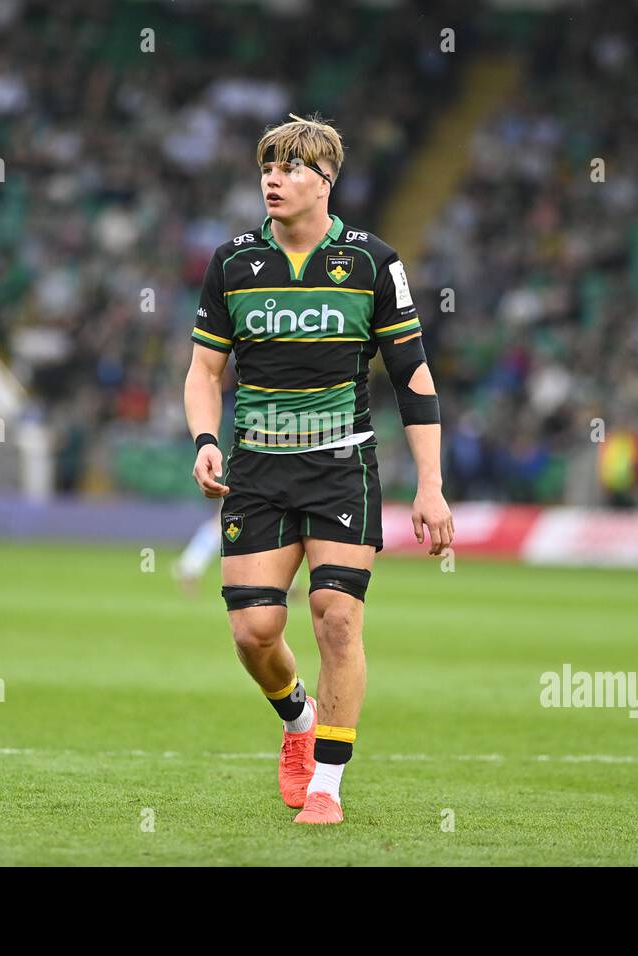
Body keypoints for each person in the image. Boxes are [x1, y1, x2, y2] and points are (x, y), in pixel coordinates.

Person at [183, 113, 453, 825]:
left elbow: (413, 377)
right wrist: (205, 439)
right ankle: (297, 720)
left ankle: (327, 786)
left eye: (291, 167)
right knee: (255, 632)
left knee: (335, 619)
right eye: (267, 168)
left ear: (325, 181)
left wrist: (430, 485)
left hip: (342, 466)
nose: (274, 178)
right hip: (258, 468)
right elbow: (204, 370)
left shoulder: (371, 262)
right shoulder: (233, 262)